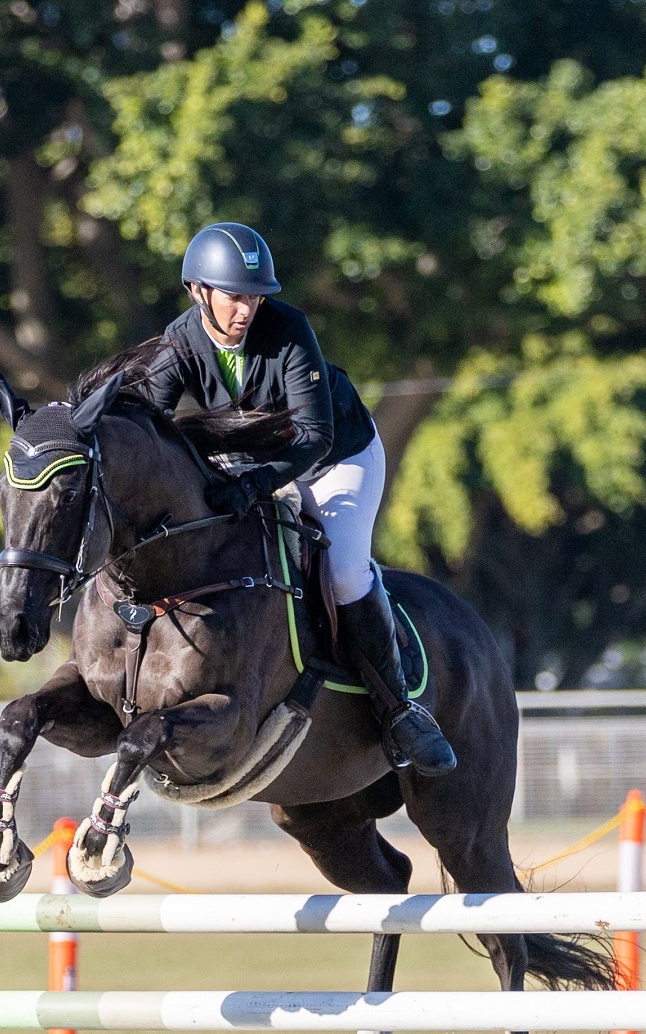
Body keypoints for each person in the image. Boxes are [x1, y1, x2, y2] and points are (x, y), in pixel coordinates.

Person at [136, 222, 456, 776]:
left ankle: (399, 709)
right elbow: (149, 424)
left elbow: (314, 437)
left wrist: (254, 484)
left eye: (255, 297)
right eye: (235, 296)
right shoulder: (179, 341)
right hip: (253, 463)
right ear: (198, 291)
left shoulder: (288, 330)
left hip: (336, 459)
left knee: (344, 571)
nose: (247, 309)